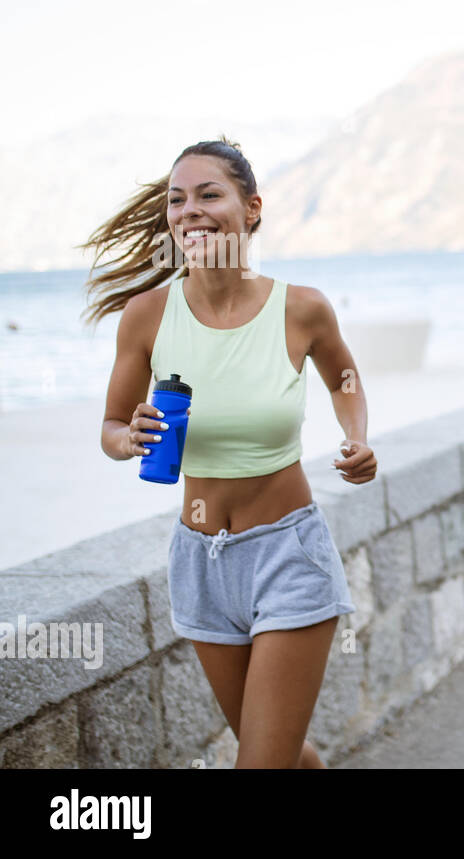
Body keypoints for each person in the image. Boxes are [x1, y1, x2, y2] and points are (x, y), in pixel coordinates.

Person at [85, 138, 376, 768]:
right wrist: (127, 438)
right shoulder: (147, 316)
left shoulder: (301, 308)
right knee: (275, 752)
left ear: (251, 208)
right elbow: (110, 426)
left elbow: (344, 381)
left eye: (208, 194)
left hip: (288, 554)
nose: (189, 210)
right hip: (199, 561)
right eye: (176, 200)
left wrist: (356, 437)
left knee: (260, 762)